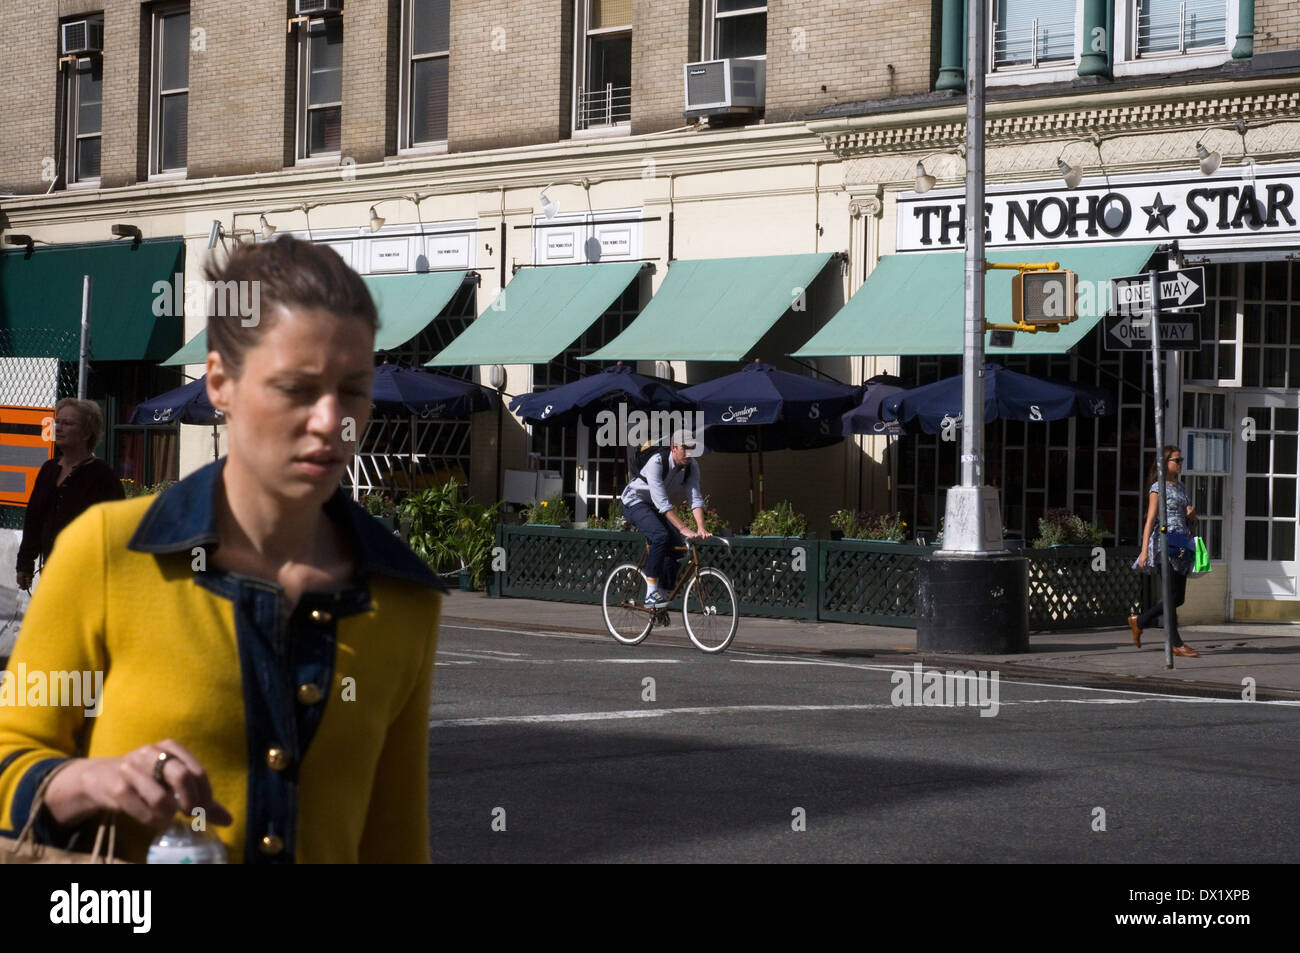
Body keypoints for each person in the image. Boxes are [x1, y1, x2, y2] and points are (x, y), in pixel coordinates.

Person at [0, 235, 445, 863]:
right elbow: (8, 758)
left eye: (352, 390)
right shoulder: (107, 554)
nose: (330, 420)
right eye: (296, 387)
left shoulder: (403, 597)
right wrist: (86, 780)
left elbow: (395, 843)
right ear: (219, 383)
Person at [14, 399, 124, 592]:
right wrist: (25, 563)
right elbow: (34, 518)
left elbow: (117, 529)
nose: (59, 428)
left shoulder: (102, 476)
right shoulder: (49, 469)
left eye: (68, 423)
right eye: (58, 422)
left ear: (86, 433)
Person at [620, 430, 711, 610]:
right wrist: (684, 528)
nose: (689, 453)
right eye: (685, 448)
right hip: (634, 502)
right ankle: (651, 592)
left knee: (677, 549)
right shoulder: (657, 462)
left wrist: (701, 527)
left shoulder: (692, 466)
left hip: (654, 505)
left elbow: (695, 498)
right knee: (660, 536)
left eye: (692, 448)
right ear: (673, 448)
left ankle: (661, 595)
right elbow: (663, 504)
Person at [1129, 444, 1199, 658]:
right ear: (1164, 464)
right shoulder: (1157, 487)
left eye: (1181, 460)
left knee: (1178, 598)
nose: (1180, 464)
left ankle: (1139, 621)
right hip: (1163, 543)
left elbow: (1191, 520)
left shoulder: (1181, 486)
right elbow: (1150, 519)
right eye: (1176, 460)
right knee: (1170, 595)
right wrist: (1144, 551)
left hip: (1182, 542)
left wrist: (1192, 515)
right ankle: (1176, 644)